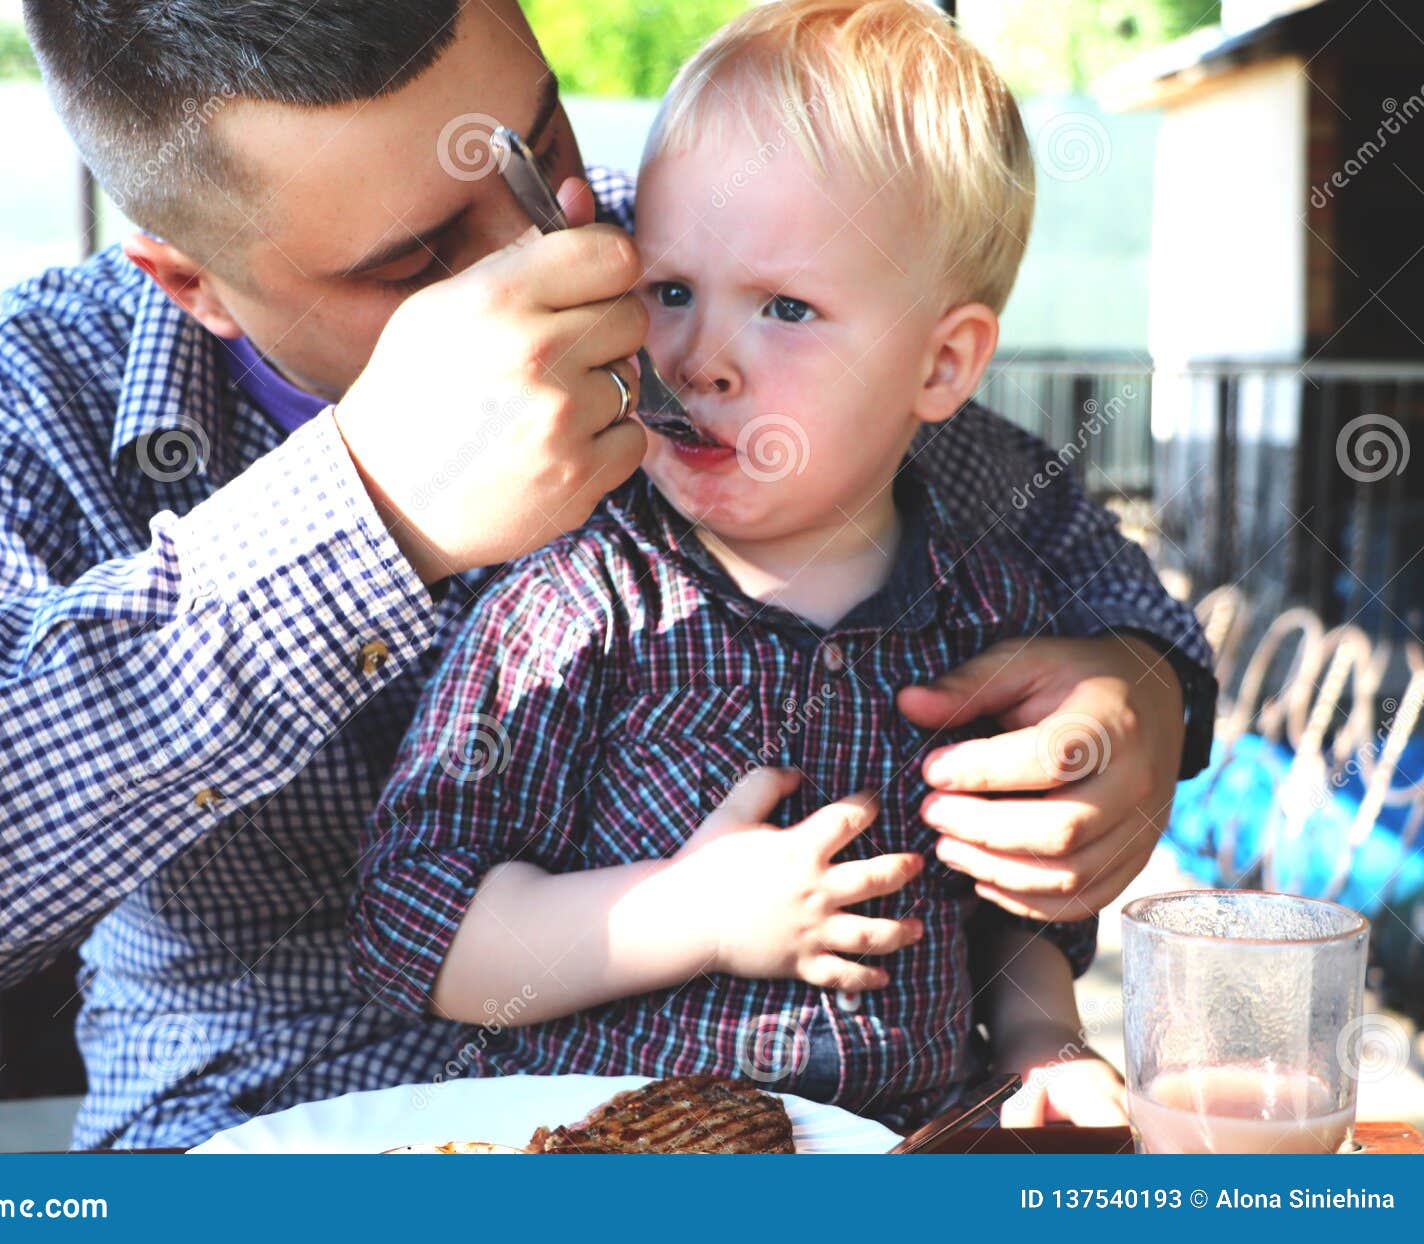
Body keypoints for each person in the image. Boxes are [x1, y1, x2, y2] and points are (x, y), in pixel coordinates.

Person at [0, 0, 1210, 1149]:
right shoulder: (33, 407)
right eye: (417, 258)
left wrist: (1136, 697)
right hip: (259, 1139)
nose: (545, 265)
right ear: (192, 278)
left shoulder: (692, 268)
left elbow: (1025, 528)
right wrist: (368, 516)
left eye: (536, 152)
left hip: (802, 1132)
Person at [350, 0, 1140, 1129]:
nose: (698, 357)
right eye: (669, 289)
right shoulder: (572, 602)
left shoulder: (988, 610)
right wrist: (692, 909)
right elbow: (415, 923)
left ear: (942, 363)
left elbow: (1008, 905)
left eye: (785, 307)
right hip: (620, 1149)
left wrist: (1040, 1040)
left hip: (907, 1141)